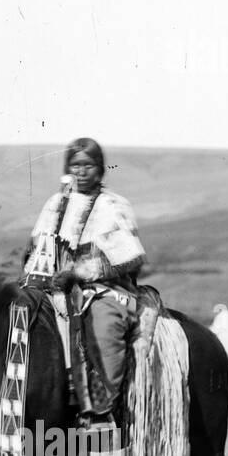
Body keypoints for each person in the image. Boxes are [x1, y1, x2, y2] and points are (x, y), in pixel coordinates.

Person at [21, 137, 147, 430]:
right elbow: (37, 248)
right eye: (75, 165)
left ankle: (102, 412)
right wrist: (33, 274)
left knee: (103, 324)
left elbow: (129, 258)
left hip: (104, 289)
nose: (81, 172)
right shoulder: (55, 203)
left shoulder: (113, 205)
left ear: (100, 169)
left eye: (88, 165)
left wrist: (79, 273)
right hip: (53, 285)